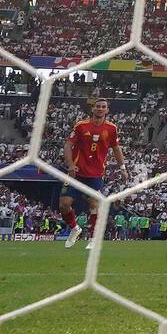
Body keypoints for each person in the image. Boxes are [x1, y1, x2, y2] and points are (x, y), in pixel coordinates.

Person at [61, 98, 126, 250]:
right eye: (98, 106)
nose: (100, 109)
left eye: (103, 107)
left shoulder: (111, 128)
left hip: (96, 173)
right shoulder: (81, 126)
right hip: (76, 171)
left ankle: (93, 238)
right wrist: (70, 164)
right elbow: (68, 145)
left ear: (107, 110)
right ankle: (75, 228)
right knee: (64, 205)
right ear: (93, 109)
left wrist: (122, 167)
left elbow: (116, 148)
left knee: (93, 204)